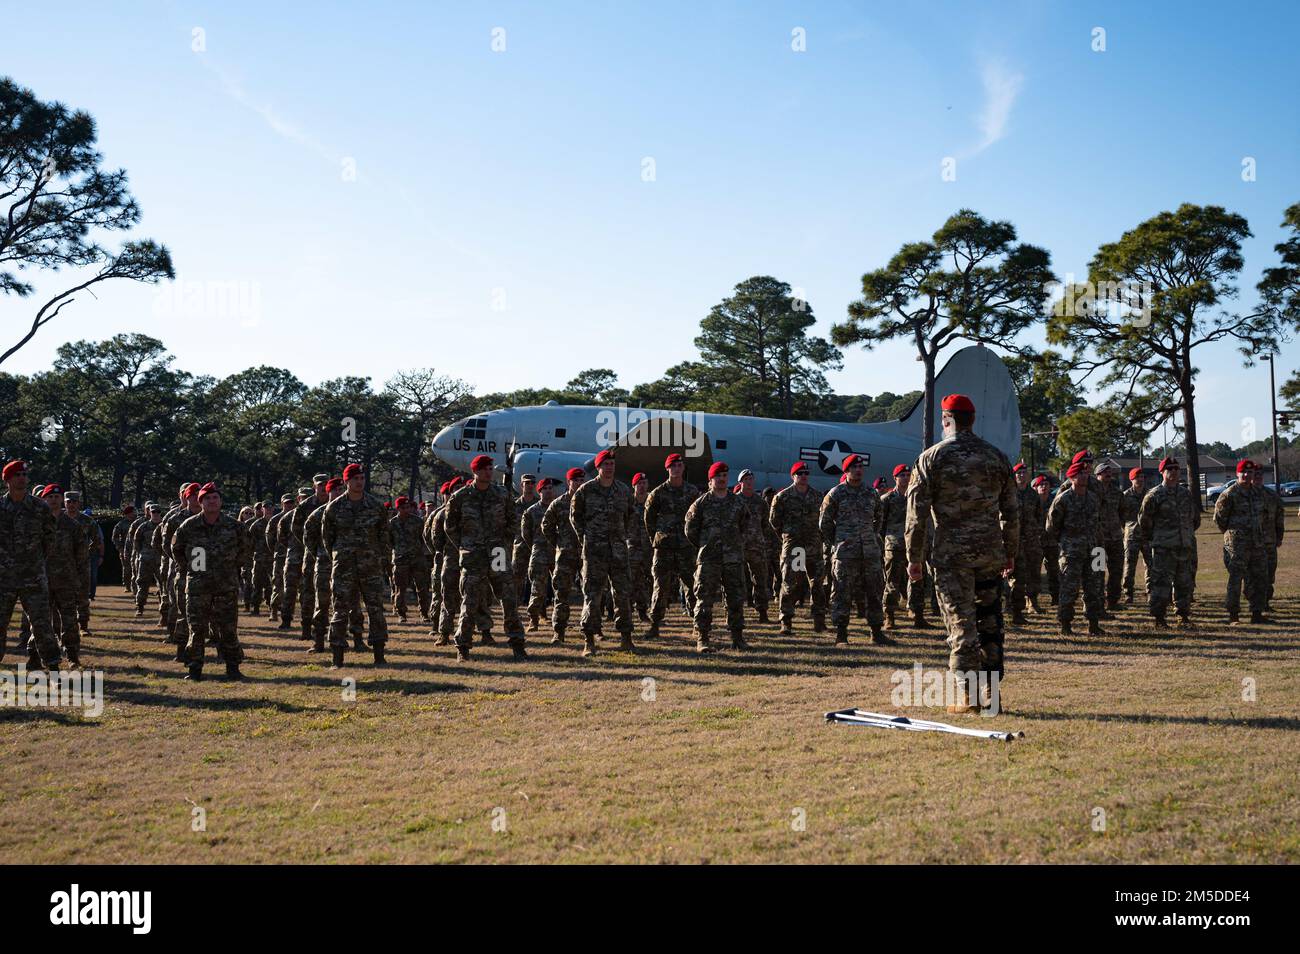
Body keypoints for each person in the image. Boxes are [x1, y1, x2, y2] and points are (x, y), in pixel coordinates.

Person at [905, 394, 1018, 713]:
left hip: (951, 557)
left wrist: (913, 557)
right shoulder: (997, 457)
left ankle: (968, 698)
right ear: (972, 420)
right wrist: (1010, 552)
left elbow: (917, 514)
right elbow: (1011, 512)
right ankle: (993, 698)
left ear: (946, 421)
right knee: (991, 625)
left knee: (961, 625)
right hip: (989, 555)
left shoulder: (931, 458)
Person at [445, 454, 528, 660]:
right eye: (484, 469)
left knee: (508, 598)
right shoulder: (460, 497)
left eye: (490, 468)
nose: (489, 472)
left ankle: (517, 644)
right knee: (470, 601)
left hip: (498, 553)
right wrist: (465, 546)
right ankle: (463, 647)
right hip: (473, 555)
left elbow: (513, 519)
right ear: (475, 471)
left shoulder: (501, 494)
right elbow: (450, 527)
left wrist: (505, 542)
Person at [321, 464, 393, 666]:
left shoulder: (376, 506)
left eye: (362, 478)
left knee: (376, 609)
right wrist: (339, 556)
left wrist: (380, 560)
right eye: (355, 479)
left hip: (370, 567)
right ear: (346, 482)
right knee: (340, 611)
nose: (359, 482)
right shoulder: (334, 508)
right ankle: (337, 658)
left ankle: (379, 656)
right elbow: (328, 539)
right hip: (343, 568)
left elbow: (384, 537)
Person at [569, 448, 636, 656]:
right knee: (592, 595)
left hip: (617, 550)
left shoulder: (624, 491)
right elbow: (575, 517)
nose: (609, 468)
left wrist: (622, 536)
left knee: (622, 594)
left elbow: (631, 515)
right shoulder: (586, 491)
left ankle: (626, 637)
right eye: (605, 464)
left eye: (612, 464)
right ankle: (589, 640)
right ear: (598, 467)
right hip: (594, 552)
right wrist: (586, 538)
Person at [820, 454, 891, 645]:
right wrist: (838, 542)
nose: (858, 470)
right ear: (847, 470)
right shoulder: (836, 494)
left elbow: (879, 517)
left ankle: (876, 632)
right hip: (846, 553)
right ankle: (841, 634)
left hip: (869, 551)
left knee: (875, 591)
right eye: (854, 467)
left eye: (860, 467)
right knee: (842, 592)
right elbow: (824, 523)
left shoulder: (871, 493)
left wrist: (870, 536)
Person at [0, 461, 62, 670]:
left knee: (42, 624)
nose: (22, 478)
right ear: (7, 479)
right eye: (17, 474)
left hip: (33, 576)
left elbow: (49, 540)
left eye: (25, 474)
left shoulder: (39, 507)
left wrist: (35, 562)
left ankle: (52, 666)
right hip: (3, 578)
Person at [684, 461, 750, 653]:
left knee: (735, 599)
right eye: (717, 476)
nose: (721, 480)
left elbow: (745, 524)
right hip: (708, 559)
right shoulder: (701, 503)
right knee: (704, 599)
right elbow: (690, 530)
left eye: (724, 476)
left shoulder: (737, 502)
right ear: (710, 480)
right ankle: (702, 638)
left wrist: (735, 544)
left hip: (733, 558)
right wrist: (705, 545)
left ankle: (737, 638)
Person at [1136, 457, 1199, 628]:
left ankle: (1183, 616)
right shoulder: (1154, 495)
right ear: (1162, 473)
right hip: (1164, 548)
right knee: (1161, 584)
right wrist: (1157, 539)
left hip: (1184, 546)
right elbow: (1144, 522)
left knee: (1184, 583)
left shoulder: (1185, 494)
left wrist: (1186, 536)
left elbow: (1194, 519)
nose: (1173, 472)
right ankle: (1159, 618)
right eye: (1169, 469)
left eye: (1176, 469)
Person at [643, 453, 700, 639]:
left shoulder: (692, 492)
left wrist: (693, 540)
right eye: (673, 466)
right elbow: (648, 519)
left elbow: (698, 518)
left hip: (686, 547)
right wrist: (657, 538)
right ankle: (654, 625)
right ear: (668, 469)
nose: (677, 468)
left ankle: (698, 624)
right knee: (660, 588)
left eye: (680, 465)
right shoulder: (657, 493)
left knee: (692, 587)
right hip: (664, 548)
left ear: (683, 468)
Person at [1047, 460, 1104, 637]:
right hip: (1071, 552)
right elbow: (1051, 526)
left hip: (1093, 550)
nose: (1084, 476)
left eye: (1086, 473)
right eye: (1080, 474)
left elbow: (1097, 523)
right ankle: (1065, 625)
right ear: (1071, 477)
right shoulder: (1063, 500)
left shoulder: (1093, 499)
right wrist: (1065, 542)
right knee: (1069, 589)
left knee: (1093, 588)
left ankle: (1094, 624)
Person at [770, 462, 827, 635]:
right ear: (793, 476)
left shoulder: (817, 496)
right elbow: (774, 522)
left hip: (813, 547)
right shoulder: (783, 497)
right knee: (790, 584)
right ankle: (786, 621)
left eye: (805, 473)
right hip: (795, 548)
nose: (803, 475)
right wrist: (788, 536)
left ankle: (819, 621)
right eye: (799, 473)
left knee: (817, 584)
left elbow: (824, 520)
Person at [1213, 460, 1269, 624]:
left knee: (1259, 578)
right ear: (1237, 474)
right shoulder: (1229, 494)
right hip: (1237, 545)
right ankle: (1233, 615)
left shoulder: (1257, 493)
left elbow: (1263, 516)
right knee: (1236, 579)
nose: (1247, 475)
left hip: (1257, 543)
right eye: (1243, 472)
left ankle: (1256, 613)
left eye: (1250, 472)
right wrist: (1232, 534)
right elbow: (1219, 520)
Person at [42, 485, 88, 667]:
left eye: (56, 496)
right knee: (41, 623)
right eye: (50, 496)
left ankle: (72, 656)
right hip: (42, 580)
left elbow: (82, 554)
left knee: (69, 621)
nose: (53, 499)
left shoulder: (72, 525)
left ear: (61, 500)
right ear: (44, 499)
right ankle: (39, 656)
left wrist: (79, 578)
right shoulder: (38, 523)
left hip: (66, 581)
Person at [541, 468, 586, 645]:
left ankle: (593, 630)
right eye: (576, 480)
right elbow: (546, 526)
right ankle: (559, 631)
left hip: (586, 554)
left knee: (592, 593)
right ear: (569, 482)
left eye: (582, 480)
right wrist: (558, 543)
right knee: (561, 594)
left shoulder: (589, 501)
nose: (580, 483)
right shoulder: (559, 504)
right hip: (565, 555)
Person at [520, 477, 559, 632]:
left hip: (557, 553)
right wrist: (537, 546)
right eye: (545, 488)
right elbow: (526, 535)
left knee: (560, 589)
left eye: (550, 488)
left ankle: (558, 621)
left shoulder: (559, 507)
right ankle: (533, 619)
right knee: (537, 589)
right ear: (540, 491)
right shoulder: (531, 512)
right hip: (540, 553)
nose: (549, 491)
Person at [1009, 462, 1044, 623]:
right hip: (1014, 540)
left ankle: (1033, 602)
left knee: (1033, 572)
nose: (1022, 476)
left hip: (1031, 540)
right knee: (1015, 575)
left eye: (1024, 473)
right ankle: (1013, 606)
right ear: (1014, 476)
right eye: (1019, 473)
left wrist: (1036, 532)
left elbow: (1039, 515)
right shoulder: (1009, 493)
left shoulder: (1033, 495)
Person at [389, 495, 432, 622]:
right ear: (398, 509)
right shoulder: (392, 523)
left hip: (417, 559)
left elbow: (423, 538)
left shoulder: (418, 521)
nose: (407, 510)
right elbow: (389, 542)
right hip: (400, 560)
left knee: (422, 588)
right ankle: (401, 614)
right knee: (400, 589)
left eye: (408, 507)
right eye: (403, 507)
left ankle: (424, 613)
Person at [1252, 466, 1284, 611]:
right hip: (1251, 543)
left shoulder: (1272, 495)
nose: (1257, 477)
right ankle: (1256, 604)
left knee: (1270, 573)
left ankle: (1265, 603)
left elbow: (1279, 517)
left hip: (1269, 541)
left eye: (1260, 474)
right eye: (1255, 474)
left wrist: (1279, 537)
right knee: (1254, 575)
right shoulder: (1246, 494)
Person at [1096, 463, 1126, 611]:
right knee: (1098, 572)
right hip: (1098, 540)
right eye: (1104, 472)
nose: (1108, 474)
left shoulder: (1117, 493)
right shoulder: (1092, 492)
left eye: (1109, 471)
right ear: (1097, 475)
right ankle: (1098, 601)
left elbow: (1123, 514)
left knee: (1116, 571)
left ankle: (1113, 601)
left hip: (1115, 538)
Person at [1120, 468, 1151, 605]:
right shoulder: (1125, 496)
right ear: (1131, 479)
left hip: (1148, 535)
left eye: (1143, 477)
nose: (1141, 479)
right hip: (1131, 536)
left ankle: (1151, 592)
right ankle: (1128, 594)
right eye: (1137, 477)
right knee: (1129, 566)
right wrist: (1128, 528)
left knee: (1151, 566)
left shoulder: (1150, 495)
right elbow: (1120, 516)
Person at [626, 473, 653, 622]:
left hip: (649, 548)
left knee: (646, 582)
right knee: (630, 580)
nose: (642, 486)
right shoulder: (628, 503)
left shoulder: (652, 501)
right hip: (632, 547)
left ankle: (643, 611)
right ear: (634, 486)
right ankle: (627, 611)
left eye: (644, 483)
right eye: (639, 483)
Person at [112, 505, 137, 595]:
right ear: (128, 513)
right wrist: (120, 549)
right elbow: (115, 537)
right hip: (126, 550)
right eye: (133, 512)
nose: (135, 513)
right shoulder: (121, 524)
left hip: (137, 549)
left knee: (137, 568)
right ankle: (127, 586)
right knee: (127, 569)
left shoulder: (138, 522)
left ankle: (136, 586)